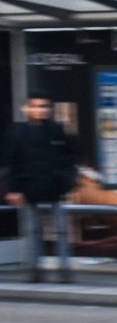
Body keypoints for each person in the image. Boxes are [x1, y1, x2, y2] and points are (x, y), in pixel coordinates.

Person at [2, 94, 78, 283]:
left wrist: (67, 180)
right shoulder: (17, 132)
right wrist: (13, 189)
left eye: (43, 106)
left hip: (55, 187)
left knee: (61, 230)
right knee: (33, 230)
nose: (40, 110)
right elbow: (10, 163)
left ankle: (64, 269)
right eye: (35, 106)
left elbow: (70, 156)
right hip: (29, 187)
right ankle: (36, 269)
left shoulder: (56, 130)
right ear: (26, 108)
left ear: (49, 109)